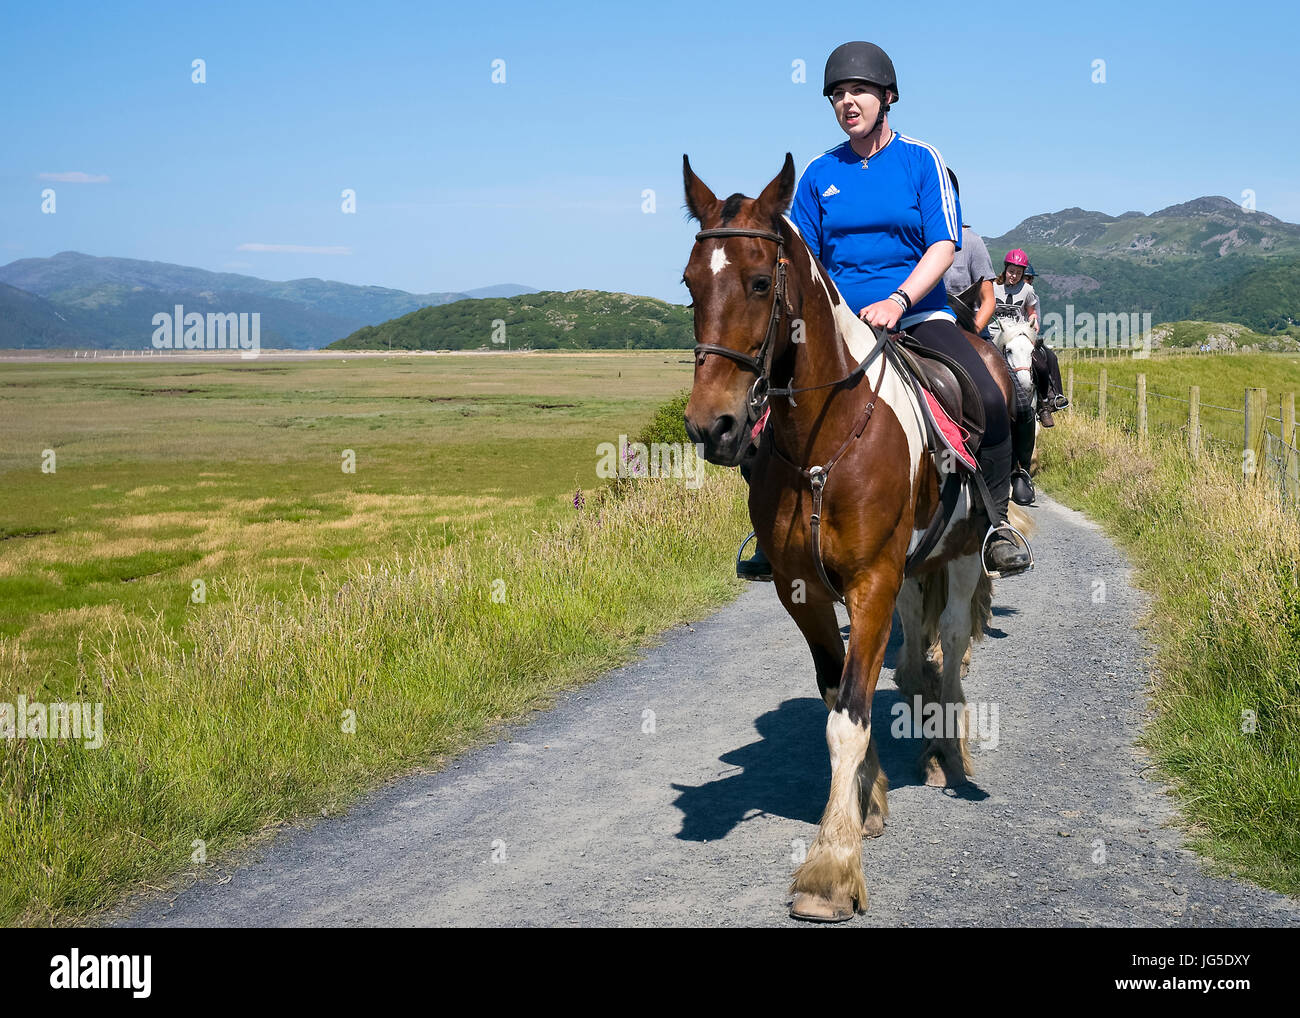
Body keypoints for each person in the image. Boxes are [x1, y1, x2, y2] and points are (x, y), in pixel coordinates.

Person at [737, 40, 1030, 580]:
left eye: (859, 91)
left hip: (917, 315)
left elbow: (943, 244)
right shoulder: (819, 174)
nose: (848, 101)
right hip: (839, 325)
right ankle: (770, 529)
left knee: (988, 393)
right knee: (757, 417)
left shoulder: (921, 160)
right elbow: (802, 256)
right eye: (838, 95)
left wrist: (898, 300)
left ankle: (995, 524)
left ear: (887, 97)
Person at [941, 169, 997, 338]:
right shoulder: (917, 243)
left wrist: (971, 334)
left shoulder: (972, 242)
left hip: (969, 327)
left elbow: (988, 301)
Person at [1024, 261, 1068, 421]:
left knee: (1050, 357)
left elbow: (1036, 322)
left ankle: (1051, 398)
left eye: (1030, 279)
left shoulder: (1034, 297)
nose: (1028, 282)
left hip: (1028, 337)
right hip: (1008, 336)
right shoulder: (1006, 293)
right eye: (1026, 278)